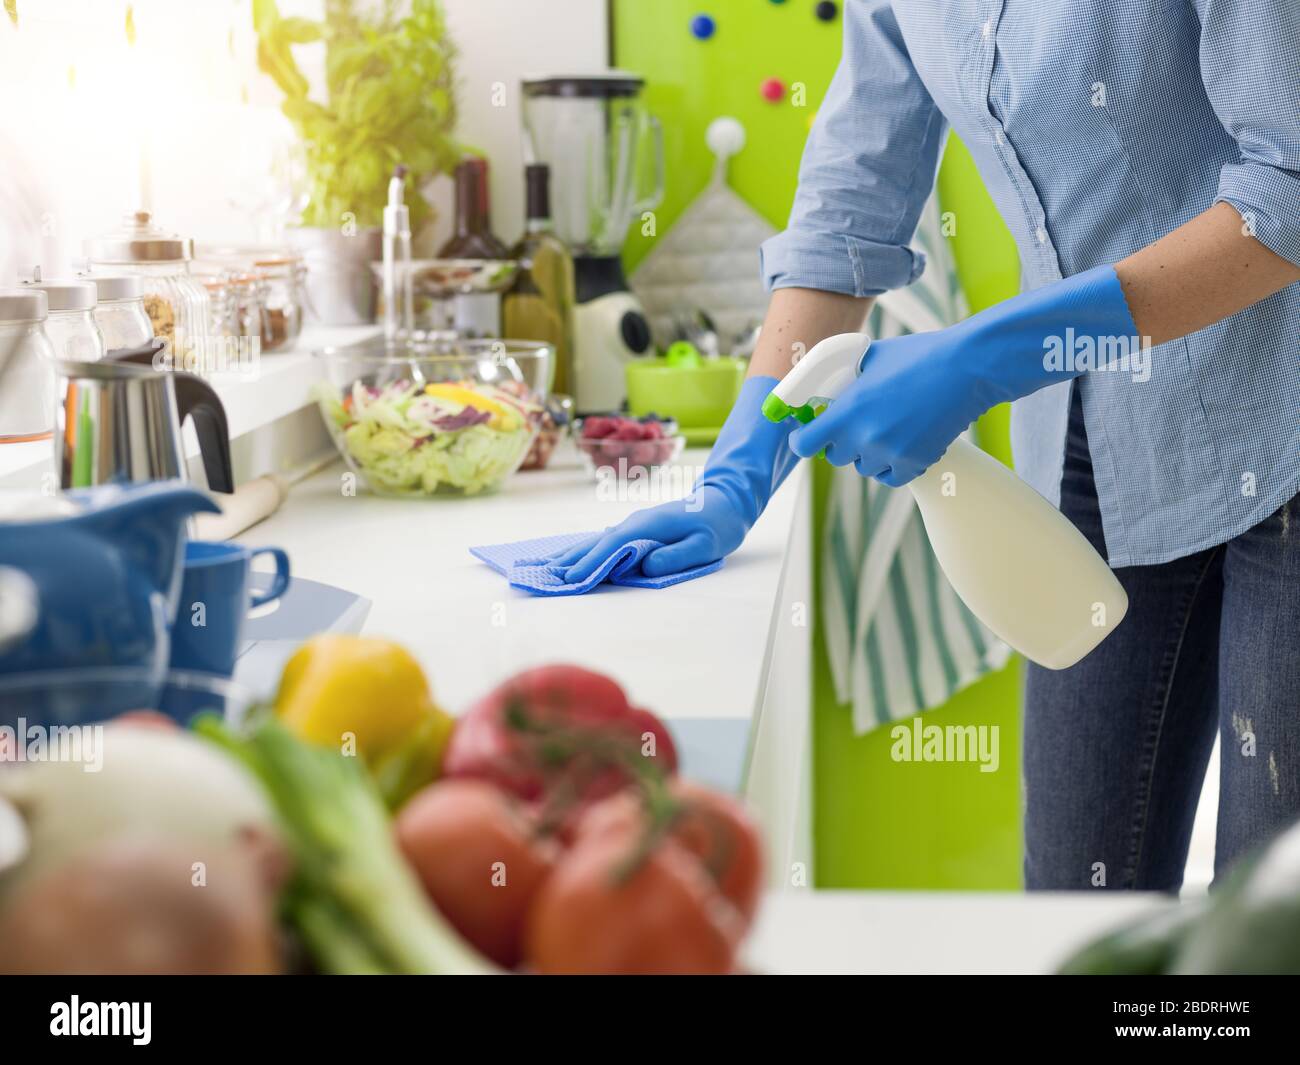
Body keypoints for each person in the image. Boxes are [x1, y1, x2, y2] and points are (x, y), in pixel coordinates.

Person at [549, 2, 1300, 890]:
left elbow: (1287, 185)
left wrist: (985, 357)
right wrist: (740, 475)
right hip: (1103, 440)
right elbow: (850, 208)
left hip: (1282, 416)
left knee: (1265, 910)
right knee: (1072, 892)